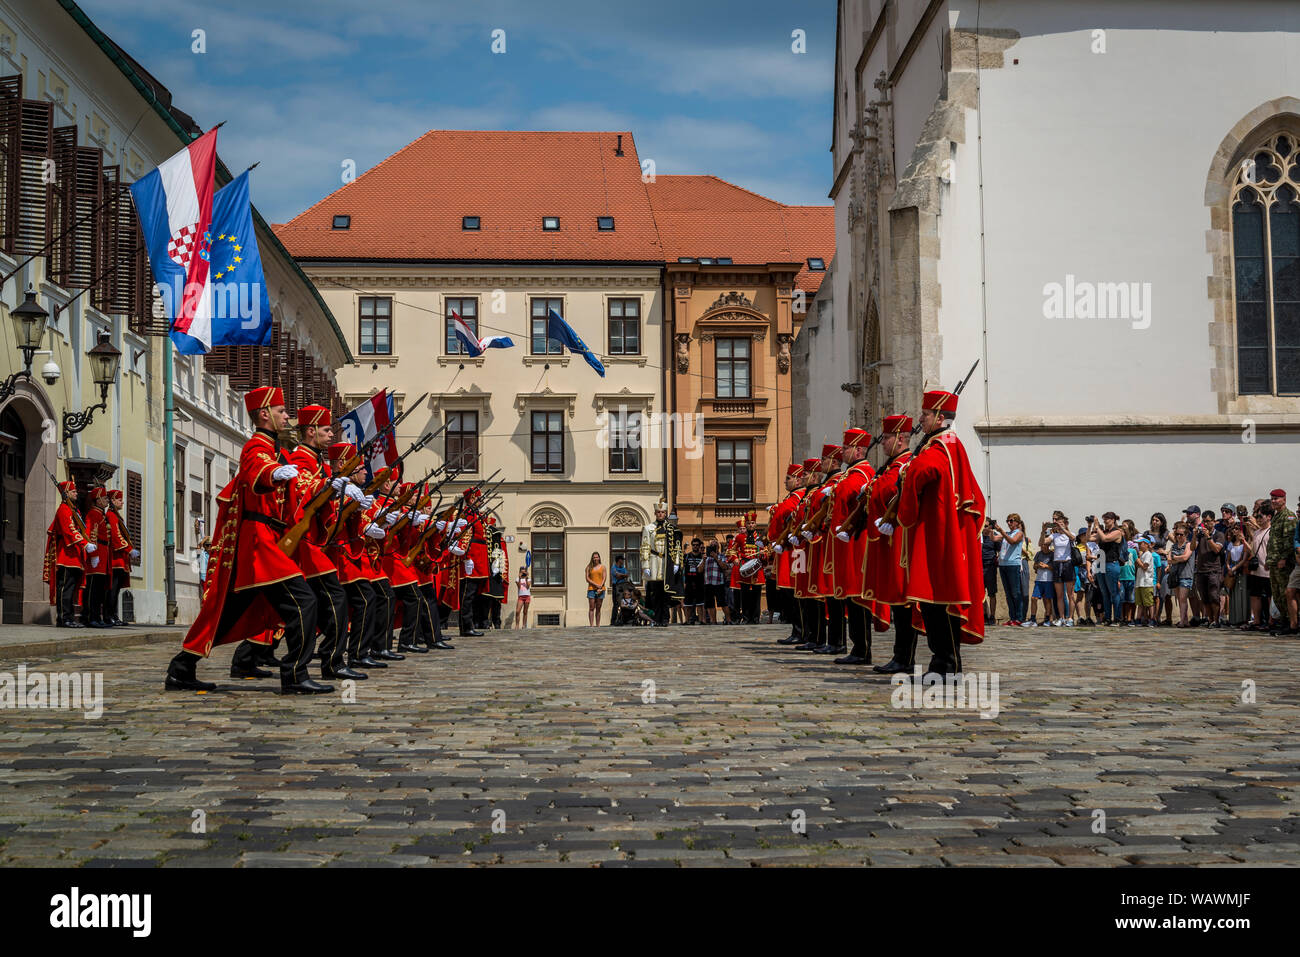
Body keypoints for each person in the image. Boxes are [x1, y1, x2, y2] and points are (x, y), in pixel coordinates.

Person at [164, 386, 330, 694]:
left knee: (225, 614)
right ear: (265, 414)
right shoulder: (257, 446)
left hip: (267, 542)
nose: (286, 417)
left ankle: (181, 668)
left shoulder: (275, 450)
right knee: (304, 602)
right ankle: (294, 674)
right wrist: (273, 474)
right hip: (258, 544)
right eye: (281, 411)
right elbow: (256, 470)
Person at [886, 388, 986, 676]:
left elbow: (924, 471)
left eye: (926, 414)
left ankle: (947, 664)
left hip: (940, 537)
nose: (921, 418)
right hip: (937, 534)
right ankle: (941, 662)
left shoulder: (942, 446)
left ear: (940, 417)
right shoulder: (941, 444)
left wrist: (909, 469)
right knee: (934, 605)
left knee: (940, 605)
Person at [862, 415, 914, 674]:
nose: (883, 443)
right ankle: (901, 656)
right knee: (897, 601)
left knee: (904, 603)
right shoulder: (892, 466)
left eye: (887, 438)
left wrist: (873, 490)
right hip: (889, 541)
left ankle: (905, 658)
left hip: (901, 544)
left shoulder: (905, 465)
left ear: (901, 439)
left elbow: (891, 494)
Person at [827, 427, 876, 664]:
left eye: (846, 447)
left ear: (858, 450)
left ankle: (861, 649)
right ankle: (857, 647)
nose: (842, 451)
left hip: (856, 544)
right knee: (849, 597)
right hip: (845, 544)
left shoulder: (862, 475)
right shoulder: (851, 475)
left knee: (857, 598)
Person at [43, 480, 88, 628]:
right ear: (66, 493)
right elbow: (69, 530)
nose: (76, 493)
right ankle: (63, 618)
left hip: (74, 555)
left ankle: (69, 617)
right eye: (73, 491)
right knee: (65, 588)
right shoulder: (64, 509)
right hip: (65, 555)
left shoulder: (73, 510)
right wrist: (85, 543)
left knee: (71, 588)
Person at [770, 463, 807, 643]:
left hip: (792, 551)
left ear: (798, 480)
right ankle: (797, 630)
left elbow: (782, 515)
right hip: (788, 549)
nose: (785, 482)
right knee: (790, 593)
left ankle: (800, 631)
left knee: (793, 592)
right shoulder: (793, 497)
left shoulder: (797, 498)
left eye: (788, 478)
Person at [1193, 508, 1226, 628]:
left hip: (1213, 570)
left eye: (1208, 521)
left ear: (1214, 521)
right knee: (1205, 597)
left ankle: (1216, 620)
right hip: (1201, 570)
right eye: (1204, 521)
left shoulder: (1219, 534)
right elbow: (1192, 548)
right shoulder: (1200, 535)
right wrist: (1195, 535)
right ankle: (1210, 619)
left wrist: (1208, 537)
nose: (1206, 524)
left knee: (1214, 596)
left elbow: (1217, 549)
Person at [989, 514, 1025, 626]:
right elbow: (994, 538)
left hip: (1013, 565)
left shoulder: (1019, 533)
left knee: (1016, 593)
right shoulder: (1007, 533)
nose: (1009, 523)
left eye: (1011, 521)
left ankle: (1019, 618)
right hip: (1003, 565)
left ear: (1017, 522)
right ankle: (1012, 617)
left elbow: (1012, 541)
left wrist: (1002, 531)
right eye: (1007, 521)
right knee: (1008, 593)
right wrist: (991, 529)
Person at [1089, 512, 1124, 625]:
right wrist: (1090, 525)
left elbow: (1105, 538)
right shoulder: (1103, 531)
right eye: (1104, 519)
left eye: (1107, 519)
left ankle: (1117, 618)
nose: (1105, 521)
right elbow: (1088, 538)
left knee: (1114, 592)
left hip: (1111, 564)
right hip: (1101, 563)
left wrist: (1097, 526)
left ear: (1113, 519)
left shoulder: (1117, 532)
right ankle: (1108, 618)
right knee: (1104, 593)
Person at [1043, 513, 1076, 627]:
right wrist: (1043, 531)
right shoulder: (1054, 536)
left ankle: (1070, 618)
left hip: (1068, 564)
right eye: (1057, 524)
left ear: (1066, 524)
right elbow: (1043, 543)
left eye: (1060, 523)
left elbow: (1073, 538)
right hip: (1057, 565)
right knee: (1060, 595)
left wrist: (1063, 528)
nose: (1058, 525)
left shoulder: (1070, 534)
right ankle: (1061, 618)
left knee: (1070, 594)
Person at [640, 501, 670, 625]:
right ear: (655, 513)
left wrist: (677, 564)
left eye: (662, 512)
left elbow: (675, 547)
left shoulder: (671, 528)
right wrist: (645, 566)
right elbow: (645, 547)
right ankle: (657, 618)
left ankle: (665, 618)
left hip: (666, 563)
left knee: (666, 594)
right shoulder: (649, 528)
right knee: (655, 594)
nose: (660, 514)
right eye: (658, 512)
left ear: (665, 513)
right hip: (654, 561)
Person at [1245, 503, 1273, 631]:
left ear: (1268, 517)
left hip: (1267, 569)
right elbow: (1253, 549)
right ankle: (1256, 621)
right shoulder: (1256, 532)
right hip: (1255, 570)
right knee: (1255, 595)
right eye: (1257, 516)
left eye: (1260, 516)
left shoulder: (1271, 531)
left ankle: (1271, 621)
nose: (1258, 519)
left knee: (1268, 596)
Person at [1168, 521, 1195, 627]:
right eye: (1177, 534)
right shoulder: (1174, 546)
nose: (1179, 536)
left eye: (1181, 534)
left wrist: (1176, 558)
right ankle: (1185, 621)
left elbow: (1185, 557)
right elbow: (1170, 560)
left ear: (1186, 535)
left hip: (1186, 575)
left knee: (1183, 598)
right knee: (1180, 599)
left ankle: (1182, 621)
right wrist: (1178, 559)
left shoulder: (1189, 545)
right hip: (1175, 575)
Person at [1023, 544, 1054, 627]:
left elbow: (1055, 567)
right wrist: (1037, 566)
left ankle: (1047, 619)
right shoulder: (1038, 554)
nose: (1043, 546)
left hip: (1049, 580)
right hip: (1039, 580)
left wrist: (1046, 566)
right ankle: (1033, 619)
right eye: (1042, 545)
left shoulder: (1052, 554)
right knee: (1034, 598)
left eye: (1044, 544)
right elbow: (1034, 566)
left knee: (1047, 599)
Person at [1225, 524, 1250, 626]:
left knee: (1243, 593)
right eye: (1234, 529)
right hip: (1232, 570)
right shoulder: (1231, 544)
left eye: (1237, 529)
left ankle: (1244, 618)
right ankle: (1234, 618)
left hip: (1241, 570)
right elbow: (1227, 559)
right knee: (1234, 593)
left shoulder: (1244, 544)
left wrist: (1234, 568)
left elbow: (1244, 559)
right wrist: (1228, 568)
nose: (1235, 531)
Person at [702, 542, 726, 625]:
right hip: (708, 583)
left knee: (723, 603)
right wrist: (703, 560)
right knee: (710, 604)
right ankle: (713, 621)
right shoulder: (706, 558)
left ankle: (729, 620)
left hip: (719, 582)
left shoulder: (722, 556)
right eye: (711, 546)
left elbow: (724, 567)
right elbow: (699, 570)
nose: (712, 547)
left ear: (718, 547)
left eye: (714, 546)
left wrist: (716, 558)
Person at [683, 538, 705, 625]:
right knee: (688, 604)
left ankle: (701, 620)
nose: (695, 546)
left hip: (699, 581)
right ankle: (687, 620)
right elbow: (683, 568)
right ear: (692, 546)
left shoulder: (702, 556)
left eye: (697, 545)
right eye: (694, 545)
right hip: (689, 581)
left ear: (699, 546)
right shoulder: (687, 556)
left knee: (700, 603)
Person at [981, 518, 999, 625]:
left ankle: (992, 616)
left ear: (990, 527)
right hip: (979, 566)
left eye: (986, 526)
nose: (984, 528)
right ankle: (984, 615)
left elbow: (999, 550)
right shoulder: (979, 536)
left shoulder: (994, 537)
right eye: (983, 525)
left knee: (992, 593)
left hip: (990, 567)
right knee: (981, 594)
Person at [586, 551, 607, 626]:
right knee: (591, 607)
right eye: (594, 557)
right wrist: (596, 585)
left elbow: (604, 577)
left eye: (597, 557)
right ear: (592, 558)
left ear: (599, 558)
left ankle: (598, 625)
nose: (595, 559)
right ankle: (591, 625)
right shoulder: (589, 567)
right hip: (591, 589)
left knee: (598, 608)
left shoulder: (603, 567)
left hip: (601, 589)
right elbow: (587, 578)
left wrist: (600, 586)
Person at [609, 554, 629, 625]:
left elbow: (627, 574)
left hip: (623, 587)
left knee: (623, 603)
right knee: (615, 604)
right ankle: (613, 621)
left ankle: (623, 620)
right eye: (622, 560)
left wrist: (621, 575)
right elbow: (616, 575)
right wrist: (622, 576)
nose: (623, 561)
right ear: (619, 560)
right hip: (616, 586)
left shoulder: (623, 568)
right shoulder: (613, 567)